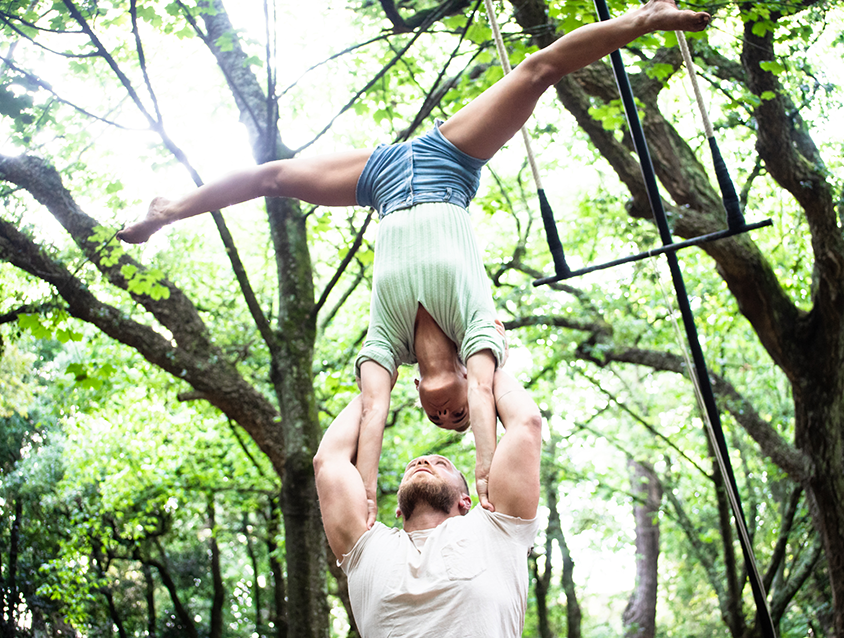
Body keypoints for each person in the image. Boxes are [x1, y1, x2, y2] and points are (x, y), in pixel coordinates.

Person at [118, 1, 710, 517]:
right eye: (462, 422)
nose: (452, 417)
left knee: (274, 176)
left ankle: (170, 209)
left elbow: (372, 412)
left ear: (423, 398)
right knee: (536, 72)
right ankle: (646, 18)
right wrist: (483, 474)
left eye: (441, 423)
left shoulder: (388, 346)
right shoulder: (476, 329)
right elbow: (486, 399)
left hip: (380, 183)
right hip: (449, 163)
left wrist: (369, 495)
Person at [313, 369, 543, 638]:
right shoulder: (366, 547)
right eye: (412, 466)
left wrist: (481, 359)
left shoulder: (499, 529)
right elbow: (328, 460)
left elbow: (527, 423)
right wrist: (377, 380)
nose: (422, 462)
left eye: (441, 463)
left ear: (465, 500)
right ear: (398, 508)